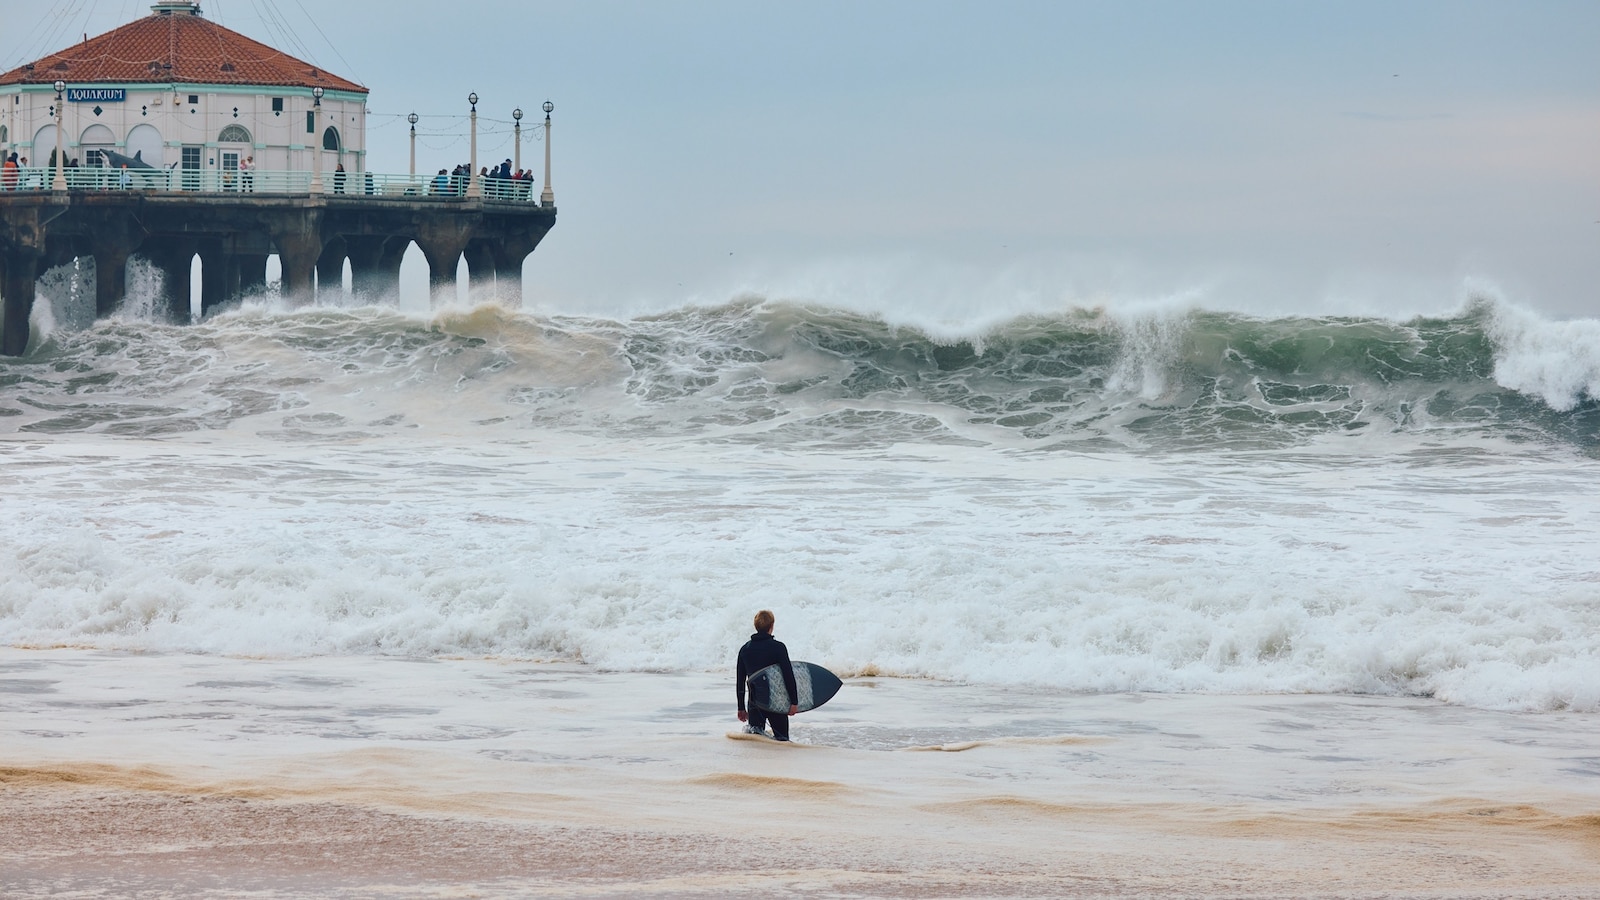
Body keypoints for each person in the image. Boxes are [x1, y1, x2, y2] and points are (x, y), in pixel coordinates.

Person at [735, 609, 800, 741]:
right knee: (782, 742)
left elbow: (740, 680)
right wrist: (794, 701)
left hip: (755, 702)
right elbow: (788, 675)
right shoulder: (778, 648)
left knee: (757, 743)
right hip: (776, 702)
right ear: (771, 626)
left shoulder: (745, 649)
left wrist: (741, 707)